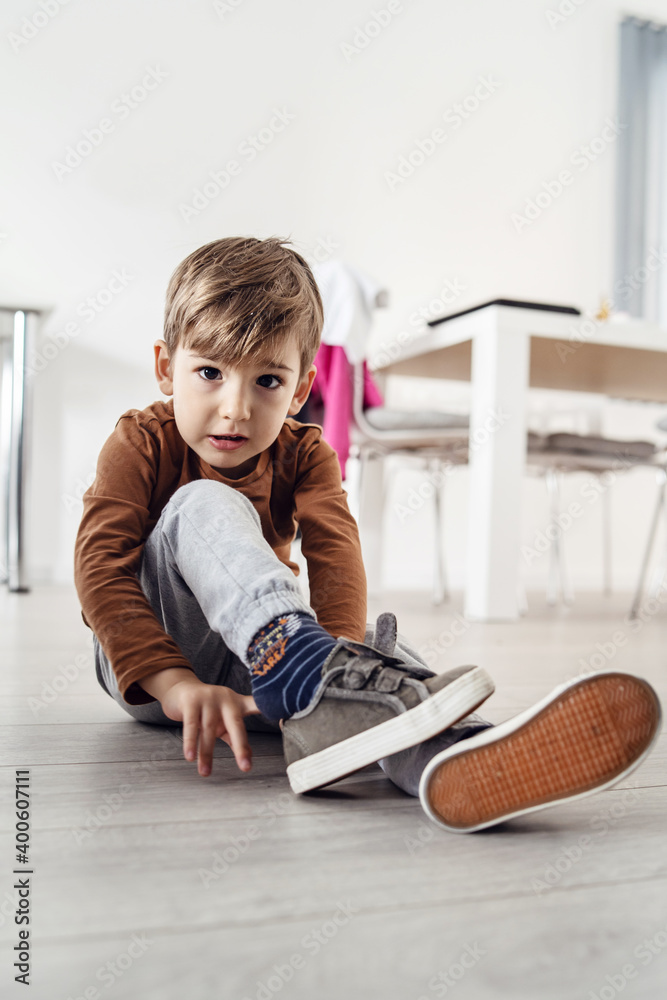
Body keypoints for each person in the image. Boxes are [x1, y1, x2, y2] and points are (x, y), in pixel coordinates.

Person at [74, 236, 661, 834]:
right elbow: (100, 569)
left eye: (267, 381)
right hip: (154, 666)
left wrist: (340, 658)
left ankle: (458, 756)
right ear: (164, 367)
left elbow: (336, 557)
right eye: (209, 373)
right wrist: (172, 683)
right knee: (202, 502)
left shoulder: (306, 453)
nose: (237, 407)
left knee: (381, 660)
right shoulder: (140, 441)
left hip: (262, 670)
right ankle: (308, 670)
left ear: (300, 390)